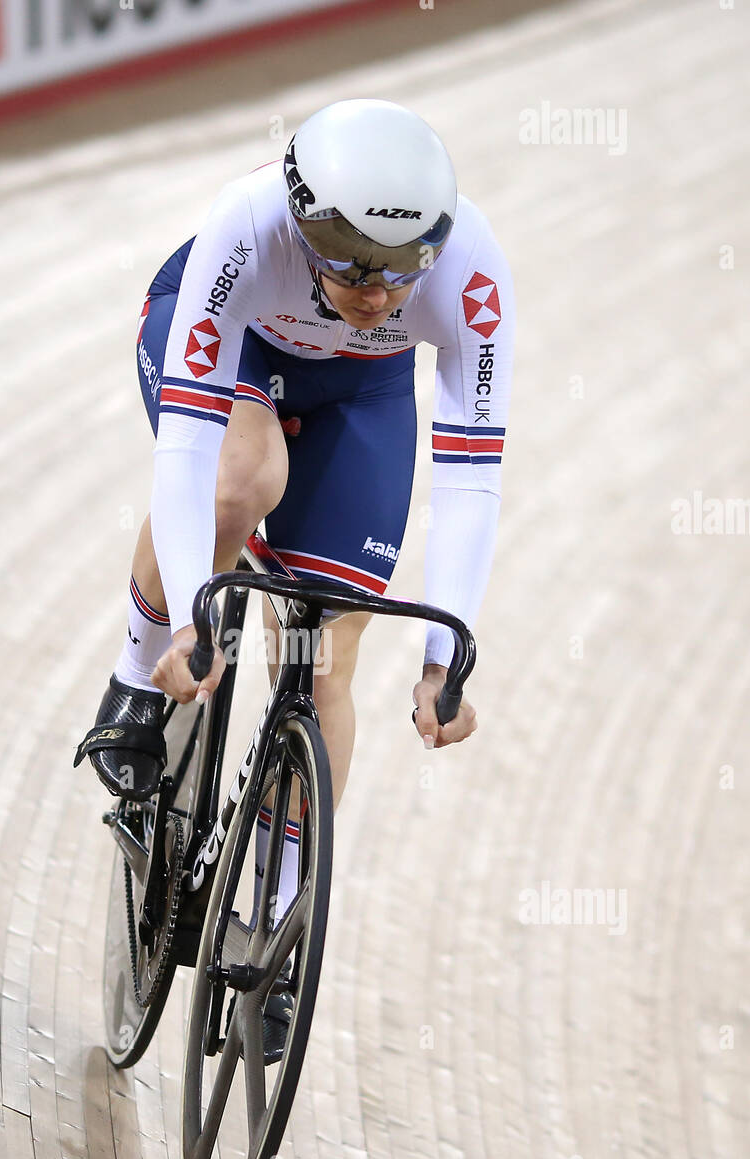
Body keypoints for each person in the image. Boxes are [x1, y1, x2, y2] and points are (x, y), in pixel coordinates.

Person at [75, 99, 514, 1024]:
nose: (377, 291)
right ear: (303, 221)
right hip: (232, 354)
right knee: (246, 475)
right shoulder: (247, 227)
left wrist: (446, 659)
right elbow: (190, 450)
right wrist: (190, 617)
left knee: (323, 662)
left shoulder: (471, 272)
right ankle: (132, 687)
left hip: (361, 393)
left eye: (401, 271)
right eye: (350, 261)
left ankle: (273, 925)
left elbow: (471, 472)